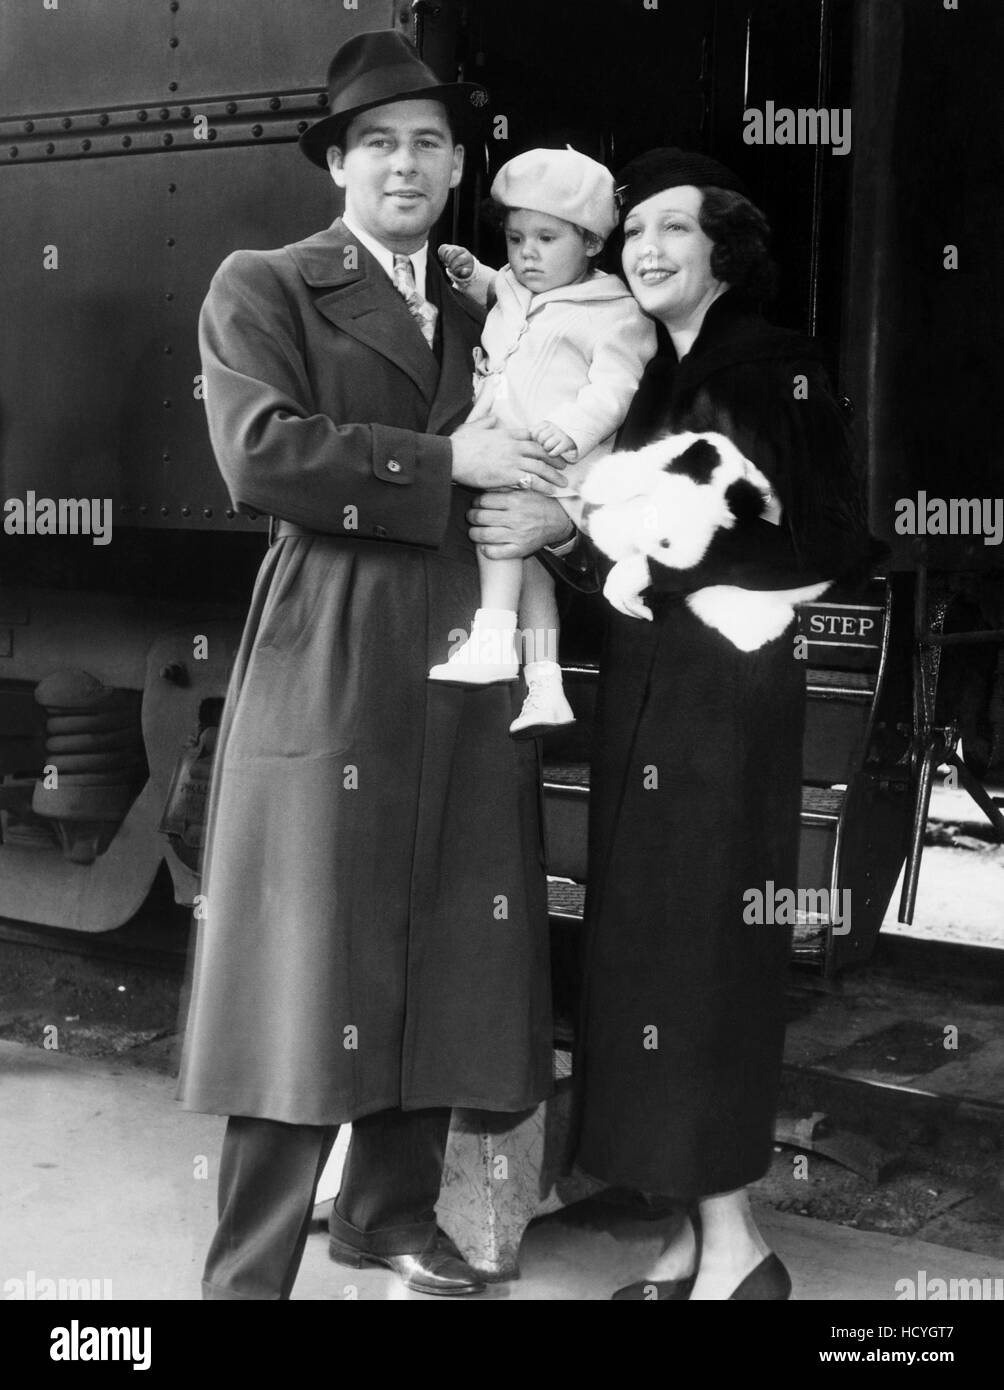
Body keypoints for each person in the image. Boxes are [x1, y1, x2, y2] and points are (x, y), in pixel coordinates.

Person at [177, 29, 579, 1301]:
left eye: (426, 144)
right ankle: (246, 1270)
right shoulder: (264, 282)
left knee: (445, 929)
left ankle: (387, 1218)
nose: (403, 166)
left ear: (459, 165)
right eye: (376, 146)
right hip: (335, 631)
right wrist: (441, 468)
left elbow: (564, 435)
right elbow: (261, 457)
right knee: (306, 954)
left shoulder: (493, 299)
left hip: (471, 633)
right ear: (337, 166)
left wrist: (556, 520)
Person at [570, 148, 884, 1300]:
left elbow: (839, 537)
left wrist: (736, 603)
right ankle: (689, 1234)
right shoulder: (652, 373)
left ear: (721, 250)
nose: (644, 248)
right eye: (633, 230)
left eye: (671, 229)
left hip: (721, 698)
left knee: (699, 951)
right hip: (645, 683)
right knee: (643, 948)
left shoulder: (776, 364)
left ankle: (735, 1245)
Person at [427, 148, 655, 737]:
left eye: (547, 239)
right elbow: (493, 289)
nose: (527, 253)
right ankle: (547, 683)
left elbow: (616, 388)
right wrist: (466, 272)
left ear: (593, 243)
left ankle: (493, 638)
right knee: (532, 569)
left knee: (499, 532)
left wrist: (574, 430)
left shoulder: (616, 313)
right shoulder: (514, 285)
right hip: (514, 444)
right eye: (515, 237)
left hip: (553, 456)